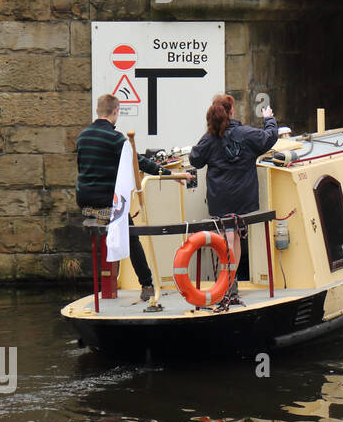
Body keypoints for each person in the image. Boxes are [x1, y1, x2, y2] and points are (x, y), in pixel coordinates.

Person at [76, 93, 168, 302]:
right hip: (107, 204)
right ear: (115, 111)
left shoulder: (82, 136)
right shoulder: (116, 139)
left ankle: (107, 284)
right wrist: (168, 173)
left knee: (115, 226)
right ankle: (146, 284)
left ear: (97, 111)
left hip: (85, 202)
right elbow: (140, 163)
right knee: (131, 232)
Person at [189, 99, 279, 303]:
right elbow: (269, 138)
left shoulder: (209, 139)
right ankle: (230, 283)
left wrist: (206, 140)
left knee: (226, 237)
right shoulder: (247, 134)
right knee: (235, 237)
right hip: (242, 197)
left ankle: (228, 283)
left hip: (219, 198)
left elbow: (195, 159)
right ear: (230, 113)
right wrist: (269, 119)